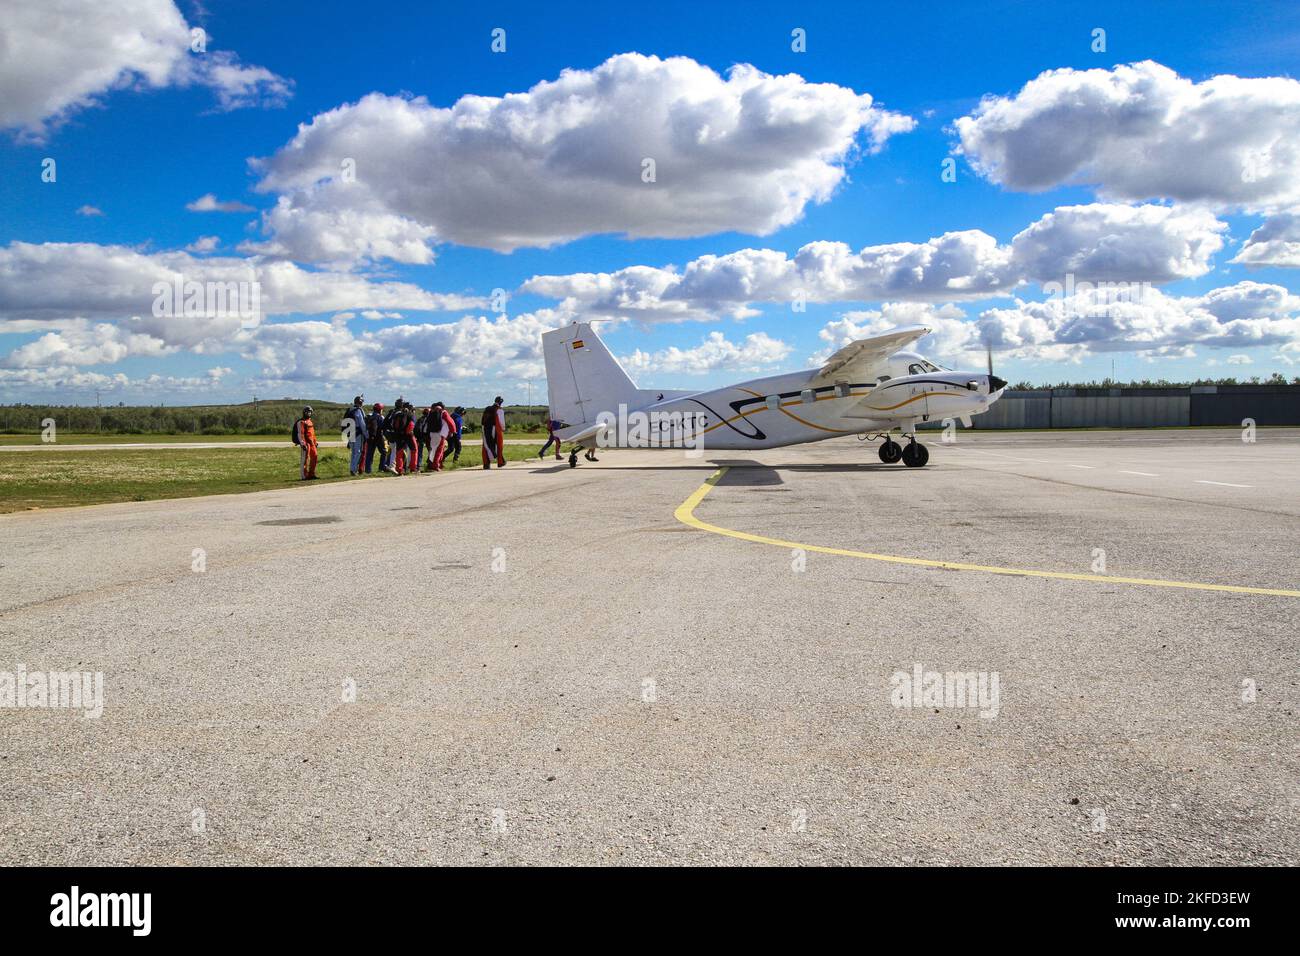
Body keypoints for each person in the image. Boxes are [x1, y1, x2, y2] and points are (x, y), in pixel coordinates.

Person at [364, 402, 394, 474]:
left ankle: (368, 470)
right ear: (379, 409)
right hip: (379, 437)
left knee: (369, 454)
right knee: (384, 452)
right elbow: (383, 426)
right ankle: (381, 467)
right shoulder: (380, 417)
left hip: (370, 437)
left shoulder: (369, 416)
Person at [427, 401, 457, 471]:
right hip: (440, 434)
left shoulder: (431, 413)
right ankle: (436, 465)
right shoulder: (443, 413)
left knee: (433, 449)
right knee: (439, 450)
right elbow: (451, 422)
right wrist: (453, 431)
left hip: (432, 433)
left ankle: (431, 464)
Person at [342, 395, 367, 476]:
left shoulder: (350, 409)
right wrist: (367, 435)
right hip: (357, 433)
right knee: (358, 452)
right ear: (360, 402)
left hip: (350, 433)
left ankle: (352, 469)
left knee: (353, 452)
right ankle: (353, 470)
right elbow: (362, 424)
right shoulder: (359, 410)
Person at [294, 406, 318, 480]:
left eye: (310, 412)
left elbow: (312, 434)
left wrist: (315, 442)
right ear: (304, 412)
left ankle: (311, 474)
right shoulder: (301, 422)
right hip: (306, 443)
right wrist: (302, 443)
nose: (309, 413)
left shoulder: (310, 421)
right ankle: (304, 476)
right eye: (307, 412)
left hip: (312, 443)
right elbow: (300, 434)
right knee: (305, 459)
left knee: (315, 457)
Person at [394, 400, 418, 475]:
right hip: (408, 435)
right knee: (414, 450)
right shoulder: (411, 415)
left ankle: (399, 470)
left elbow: (394, 425)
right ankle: (413, 468)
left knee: (399, 452)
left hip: (399, 435)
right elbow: (411, 424)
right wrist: (409, 433)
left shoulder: (398, 414)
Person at [481, 396, 506, 469]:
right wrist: (503, 428)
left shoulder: (487, 408)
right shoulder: (499, 410)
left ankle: (486, 464)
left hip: (485, 428)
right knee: (498, 445)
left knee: (486, 446)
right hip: (495, 428)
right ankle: (500, 462)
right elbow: (501, 422)